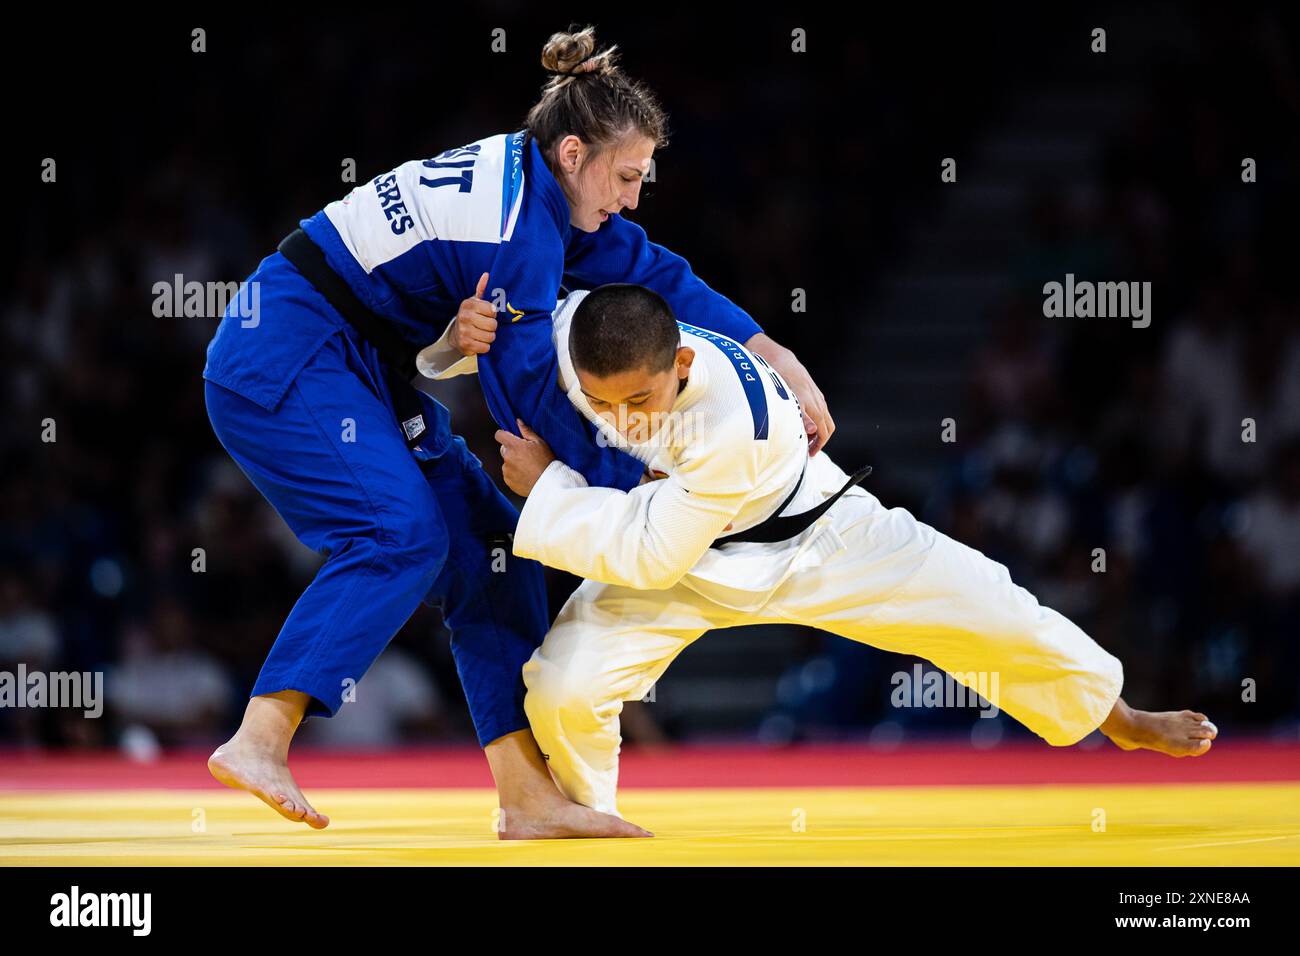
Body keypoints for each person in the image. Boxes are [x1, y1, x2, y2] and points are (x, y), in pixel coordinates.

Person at [200, 26, 831, 837]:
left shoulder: (538, 189)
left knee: (495, 555)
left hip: (359, 359)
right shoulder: (514, 223)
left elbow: (654, 272)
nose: (634, 196)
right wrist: (631, 484)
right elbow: (522, 381)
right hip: (287, 348)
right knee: (402, 534)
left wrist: (775, 354)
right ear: (575, 152)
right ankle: (261, 735)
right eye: (628, 176)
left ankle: (527, 797)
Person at [473, 283, 1218, 818]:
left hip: (814, 535)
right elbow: (505, 316)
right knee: (565, 684)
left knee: (986, 605)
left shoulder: (732, 422)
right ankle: (583, 816)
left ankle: (1117, 714)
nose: (623, 423)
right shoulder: (578, 339)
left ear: (684, 367)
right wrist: (464, 333)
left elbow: (649, 556)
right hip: (682, 547)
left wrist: (548, 490)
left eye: (641, 402)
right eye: (604, 405)